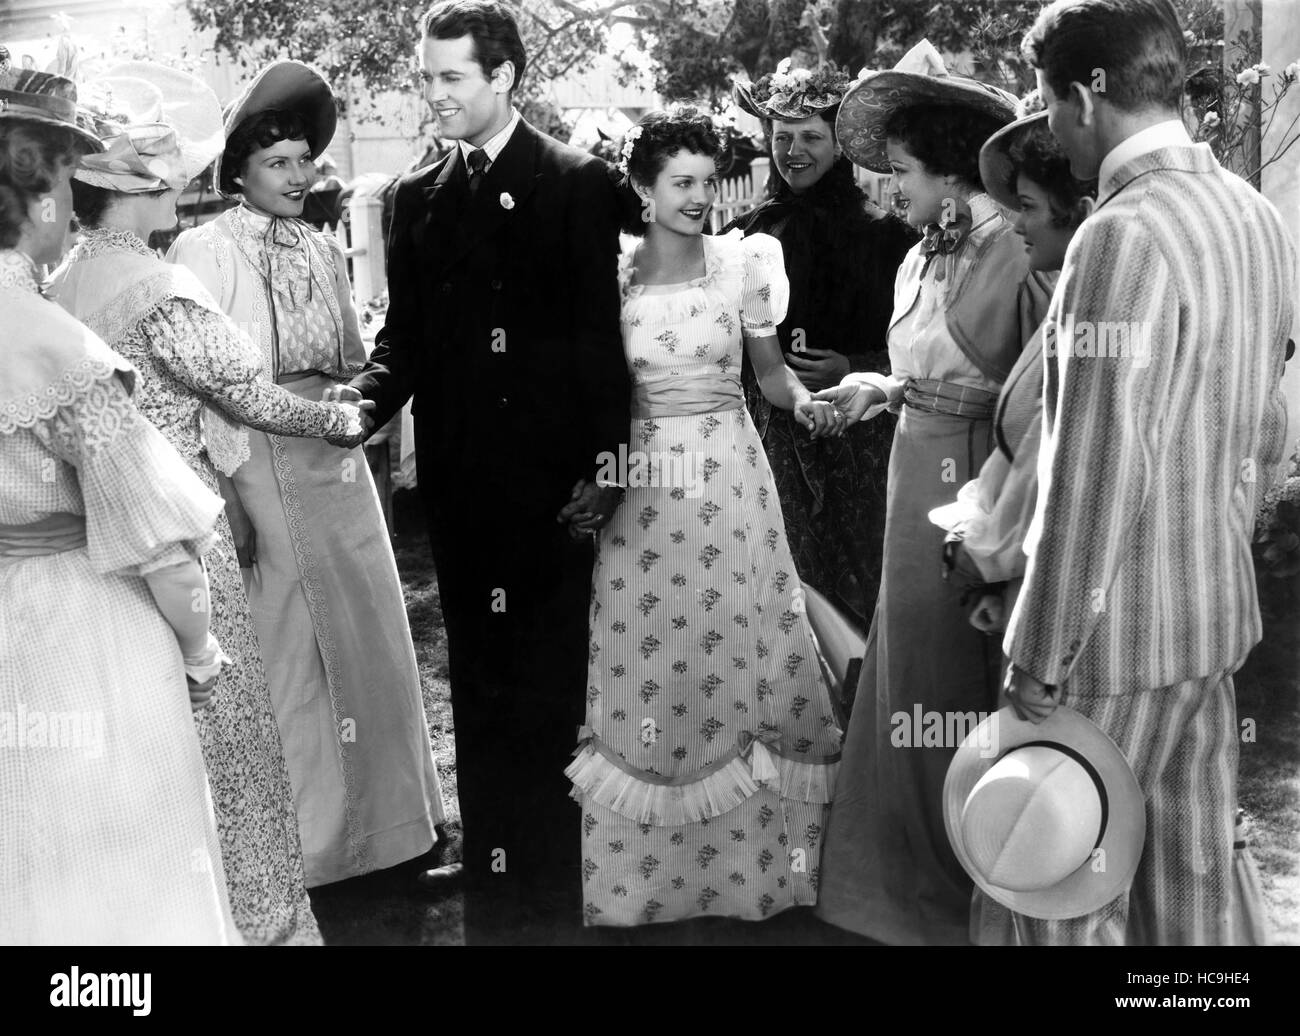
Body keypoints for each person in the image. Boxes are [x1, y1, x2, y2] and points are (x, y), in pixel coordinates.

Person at [332, 0, 632, 941]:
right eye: (427, 78)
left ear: (502, 78)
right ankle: (495, 881)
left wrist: (606, 464)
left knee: (548, 684)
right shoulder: (414, 197)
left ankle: (552, 885)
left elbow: (596, 336)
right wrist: (357, 407)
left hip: (552, 491)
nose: (433, 96)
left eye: (449, 77)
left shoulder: (577, 182)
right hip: (462, 492)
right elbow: (406, 341)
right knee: (478, 679)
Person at [996, 0, 1295, 945]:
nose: (1046, 127)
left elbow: (1093, 471)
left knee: (1059, 902)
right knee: (1190, 896)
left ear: (1089, 96)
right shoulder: (1252, 212)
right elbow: (1269, 428)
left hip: (1109, 645)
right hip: (1209, 623)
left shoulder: (1120, 233)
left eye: (1047, 103)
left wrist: (1037, 655)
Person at [49, 62, 365, 945]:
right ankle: (257, 917)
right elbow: (247, 394)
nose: (179, 192)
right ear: (133, 193)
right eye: (165, 181)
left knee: (149, 732)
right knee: (227, 727)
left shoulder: (65, 281)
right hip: (181, 527)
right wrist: (338, 419)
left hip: (99, 541)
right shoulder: (156, 287)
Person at [168, 59, 447, 891]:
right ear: (239, 172)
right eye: (276, 164)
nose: (296, 177)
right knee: (290, 648)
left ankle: (394, 829)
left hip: (336, 465)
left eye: (302, 161)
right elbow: (194, 388)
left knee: (367, 638)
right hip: (253, 464)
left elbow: (358, 366)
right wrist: (223, 496)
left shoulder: (327, 250)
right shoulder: (200, 249)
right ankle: (316, 843)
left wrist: (363, 434)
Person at [565, 106, 847, 929]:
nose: (698, 198)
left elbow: (769, 376)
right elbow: (592, 389)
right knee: (649, 657)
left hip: (729, 476)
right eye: (679, 183)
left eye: (707, 182)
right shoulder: (609, 273)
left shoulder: (746, 263)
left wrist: (808, 403)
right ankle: (647, 887)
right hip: (644, 483)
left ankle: (763, 876)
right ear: (643, 188)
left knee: (742, 646)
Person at [810, 40, 1053, 945]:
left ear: (954, 174)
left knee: (961, 672)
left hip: (979, 484)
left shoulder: (1021, 250)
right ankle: (900, 873)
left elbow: (1042, 397)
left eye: (904, 172)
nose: (891, 189)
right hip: (908, 472)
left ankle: (968, 878)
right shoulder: (918, 257)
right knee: (909, 669)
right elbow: (916, 369)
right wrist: (870, 389)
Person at [0, 61, 238, 944]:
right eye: (64, 183)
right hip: (83, 628)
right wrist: (200, 649)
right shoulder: (56, 347)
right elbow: (157, 540)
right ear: (37, 197)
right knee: (122, 871)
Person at [726, 62, 915, 638]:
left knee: (861, 573)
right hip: (775, 432)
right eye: (782, 138)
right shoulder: (744, 236)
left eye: (811, 136)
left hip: (860, 427)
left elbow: (913, 347)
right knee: (785, 581)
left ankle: (862, 708)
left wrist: (853, 365)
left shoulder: (886, 235)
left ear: (839, 144)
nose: (794, 151)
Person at [930, 98, 1096, 649]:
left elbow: (1050, 460)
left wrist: (980, 555)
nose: (1017, 222)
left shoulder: (1088, 315)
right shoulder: (1065, 301)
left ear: (1081, 210)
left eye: (1028, 205)